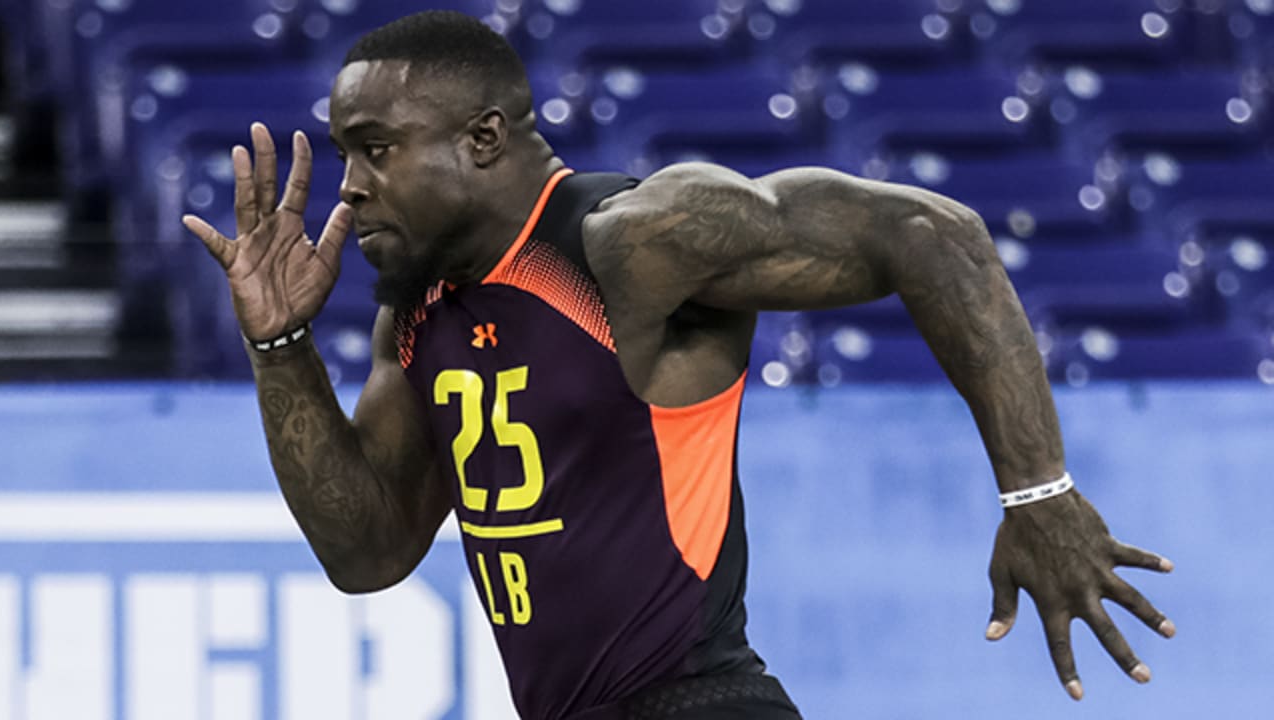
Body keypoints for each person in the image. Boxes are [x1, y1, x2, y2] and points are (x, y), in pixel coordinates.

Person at [182, 10, 1175, 720]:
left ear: (483, 138)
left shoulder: (631, 239)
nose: (348, 190)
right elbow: (368, 554)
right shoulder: (417, 304)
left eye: (375, 150)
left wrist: (1036, 492)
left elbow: (932, 233)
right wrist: (281, 346)